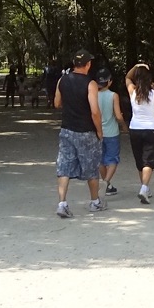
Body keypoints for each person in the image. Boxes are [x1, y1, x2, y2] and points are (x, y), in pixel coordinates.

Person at [54, 49, 104, 218]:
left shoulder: (62, 80)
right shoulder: (90, 84)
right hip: (86, 131)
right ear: (88, 64)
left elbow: (56, 103)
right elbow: (95, 112)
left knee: (64, 167)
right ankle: (95, 202)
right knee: (91, 167)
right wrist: (99, 131)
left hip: (67, 129)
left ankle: (62, 203)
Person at [125, 62, 154, 204]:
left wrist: (136, 67)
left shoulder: (132, 91)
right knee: (149, 161)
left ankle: (145, 187)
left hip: (135, 129)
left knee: (140, 161)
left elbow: (127, 78)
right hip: (151, 129)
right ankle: (144, 188)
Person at [96, 67, 125, 195]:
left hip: (97, 132)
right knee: (112, 159)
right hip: (112, 132)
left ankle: (106, 185)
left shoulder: (92, 95)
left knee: (100, 160)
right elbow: (118, 116)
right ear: (109, 82)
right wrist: (124, 125)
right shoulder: (113, 96)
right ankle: (106, 182)